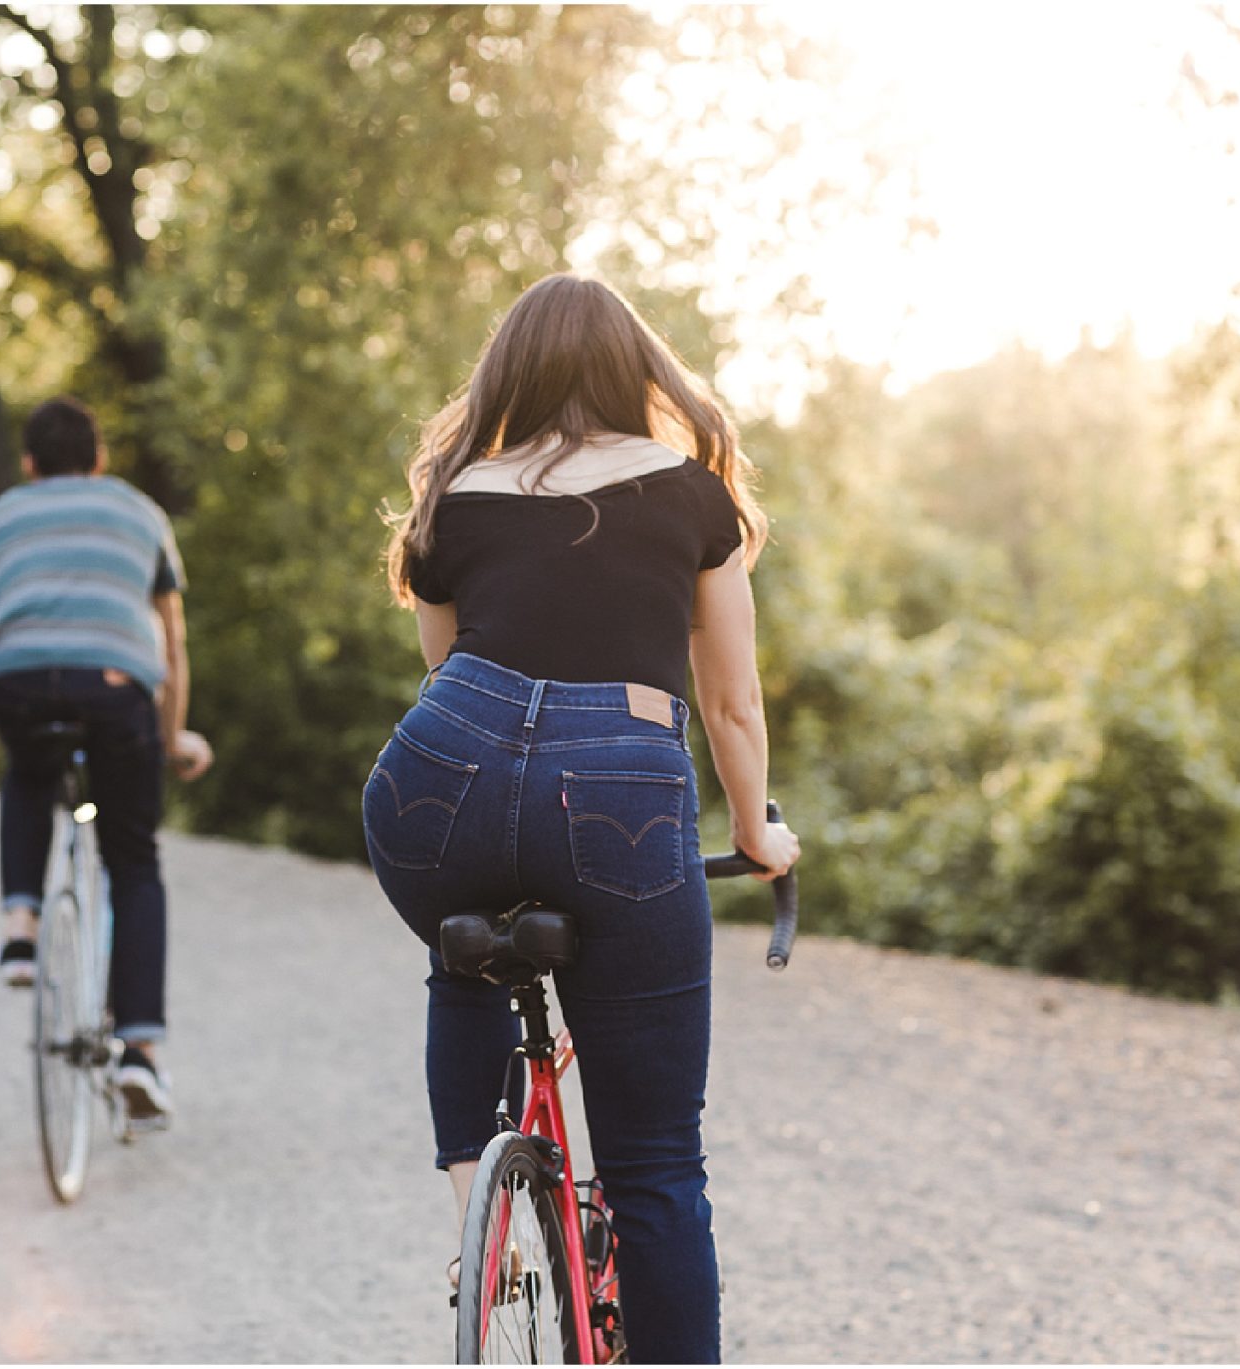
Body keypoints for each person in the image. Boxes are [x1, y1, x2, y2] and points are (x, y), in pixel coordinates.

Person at [364, 273, 800, 1363]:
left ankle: (479, 1214)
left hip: (435, 779)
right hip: (618, 793)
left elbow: (448, 674)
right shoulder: (690, 492)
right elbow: (732, 702)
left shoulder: (454, 496)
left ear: (505, 374)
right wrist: (756, 832)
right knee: (655, 1165)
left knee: (464, 946)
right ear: (636, 369)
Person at [0, 396, 213, 1124]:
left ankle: (20, 929)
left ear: (29, 464)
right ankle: (141, 1052)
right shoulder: (140, 514)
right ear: (99, 460)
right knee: (132, 860)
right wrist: (172, 735)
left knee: (28, 771)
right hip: (114, 690)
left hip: (14, 684)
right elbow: (171, 642)